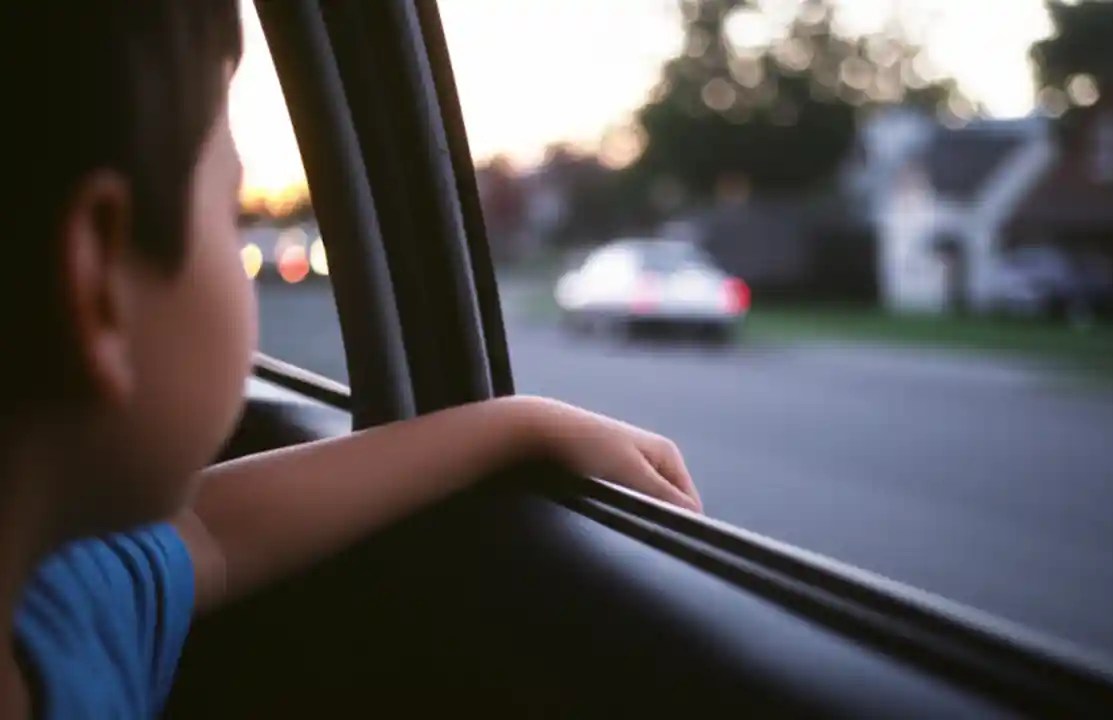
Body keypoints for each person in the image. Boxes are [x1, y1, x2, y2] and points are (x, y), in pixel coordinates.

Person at [0, 3, 701, 717]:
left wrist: (518, 423)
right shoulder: (62, 620)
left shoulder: (54, 588)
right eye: (231, 211)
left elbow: (208, 531)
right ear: (100, 284)